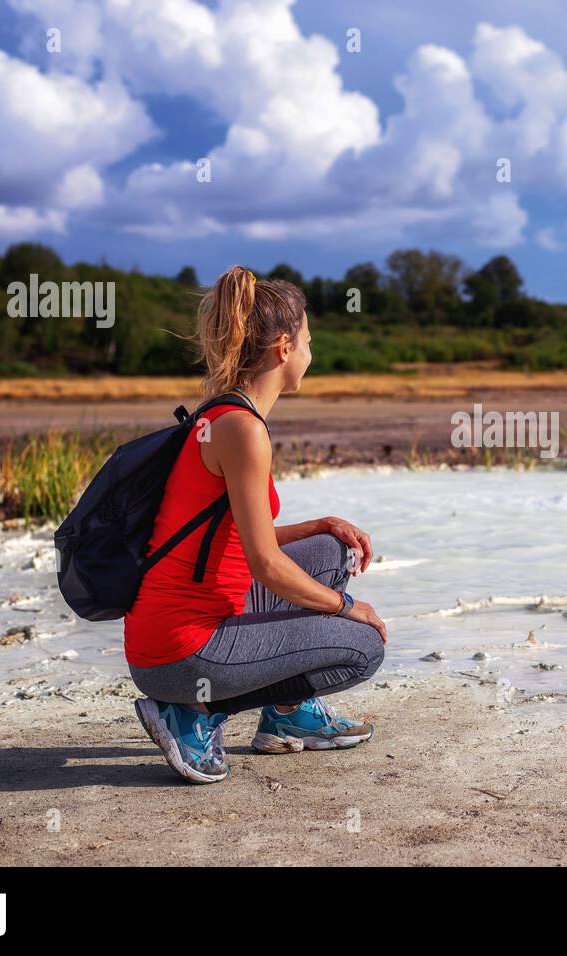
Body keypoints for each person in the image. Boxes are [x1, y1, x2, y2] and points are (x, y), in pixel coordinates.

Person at [125, 265, 387, 784]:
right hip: (183, 652)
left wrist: (321, 525)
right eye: (309, 340)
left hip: (172, 630)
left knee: (334, 552)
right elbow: (264, 565)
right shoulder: (243, 431)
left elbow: (243, 541)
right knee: (365, 648)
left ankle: (287, 715)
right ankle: (194, 713)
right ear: (284, 348)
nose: (313, 353)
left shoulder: (221, 414)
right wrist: (349, 607)